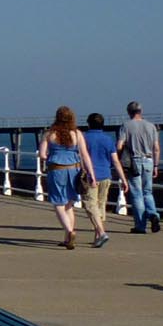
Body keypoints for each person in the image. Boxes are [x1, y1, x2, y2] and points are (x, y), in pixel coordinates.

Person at [39, 106, 95, 250]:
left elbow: (42, 154)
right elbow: (85, 155)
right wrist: (92, 175)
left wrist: (52, 156)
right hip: (74, 170)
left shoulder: (49, 134)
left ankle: (70, 232)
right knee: (69, 204)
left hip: (56, 170)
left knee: (58, 203)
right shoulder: (77, 133)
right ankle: (67, 237)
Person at [81, 112, 130, 248]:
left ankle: (101, 233)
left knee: (90, 205)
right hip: (106, 175)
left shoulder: (84, 138)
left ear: (89, 124)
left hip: (90, 177)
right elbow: (115, 160)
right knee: (100, 204)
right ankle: (97, 236)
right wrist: (123, 179)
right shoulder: (108, 139)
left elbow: (80, 158)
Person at [118, 101, 162, 233]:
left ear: (129, 112)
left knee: (137, 194)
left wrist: (120, 161)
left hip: (134, 162)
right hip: (148, 160)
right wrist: (156, 165)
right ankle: (153, 214)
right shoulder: (151, 126)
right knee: (147, 192)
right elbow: (156, 148)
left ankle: (140, 226)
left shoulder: (126, 125)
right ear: (140, 111)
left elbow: (119, 145)